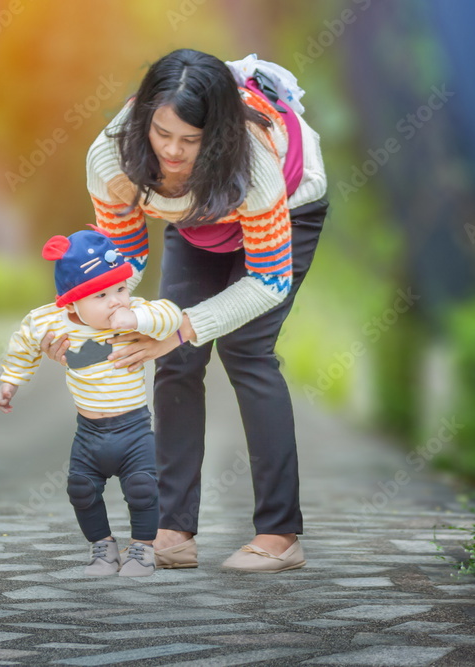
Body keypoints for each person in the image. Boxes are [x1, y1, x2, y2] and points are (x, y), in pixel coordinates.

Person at [46, 49, 329, 572]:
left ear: (215, 136)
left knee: (246, 352)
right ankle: (173, 531)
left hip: (287, 207)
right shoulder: (110, 159)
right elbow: (123, 261)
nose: (173, 152)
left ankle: (280, 534)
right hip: (199, 221)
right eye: (162, 133)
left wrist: (179, 328)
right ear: (145, 119)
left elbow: (268, 282)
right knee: (174, 363)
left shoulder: (255, 165)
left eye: (190, 140)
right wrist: (95, 323)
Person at [0, 229, 183, 577]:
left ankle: (142, 549)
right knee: (80, 489)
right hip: (89, 433)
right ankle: (103, 548)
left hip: (133, 429)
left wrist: (138, 319)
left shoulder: (135, 311)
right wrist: (11, 381)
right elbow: (24, 341)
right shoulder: (49, 321)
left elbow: (171, 314)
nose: (116, 301)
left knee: (143, 488)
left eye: (120, 289)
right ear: (72, 302)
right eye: (102, 295)